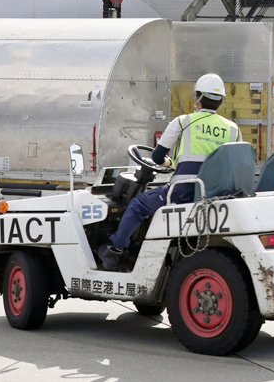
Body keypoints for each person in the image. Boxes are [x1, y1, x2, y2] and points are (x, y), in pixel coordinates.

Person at [100, 73, 240, 271]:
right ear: (221, 100)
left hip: (184, 192)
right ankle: (140, 249)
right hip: (215, 193)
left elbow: (157, 157)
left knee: (139, 204)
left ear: (197, 97)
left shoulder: (184, 122)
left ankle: (113, 250)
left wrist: (167, 162)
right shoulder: (233, 129)